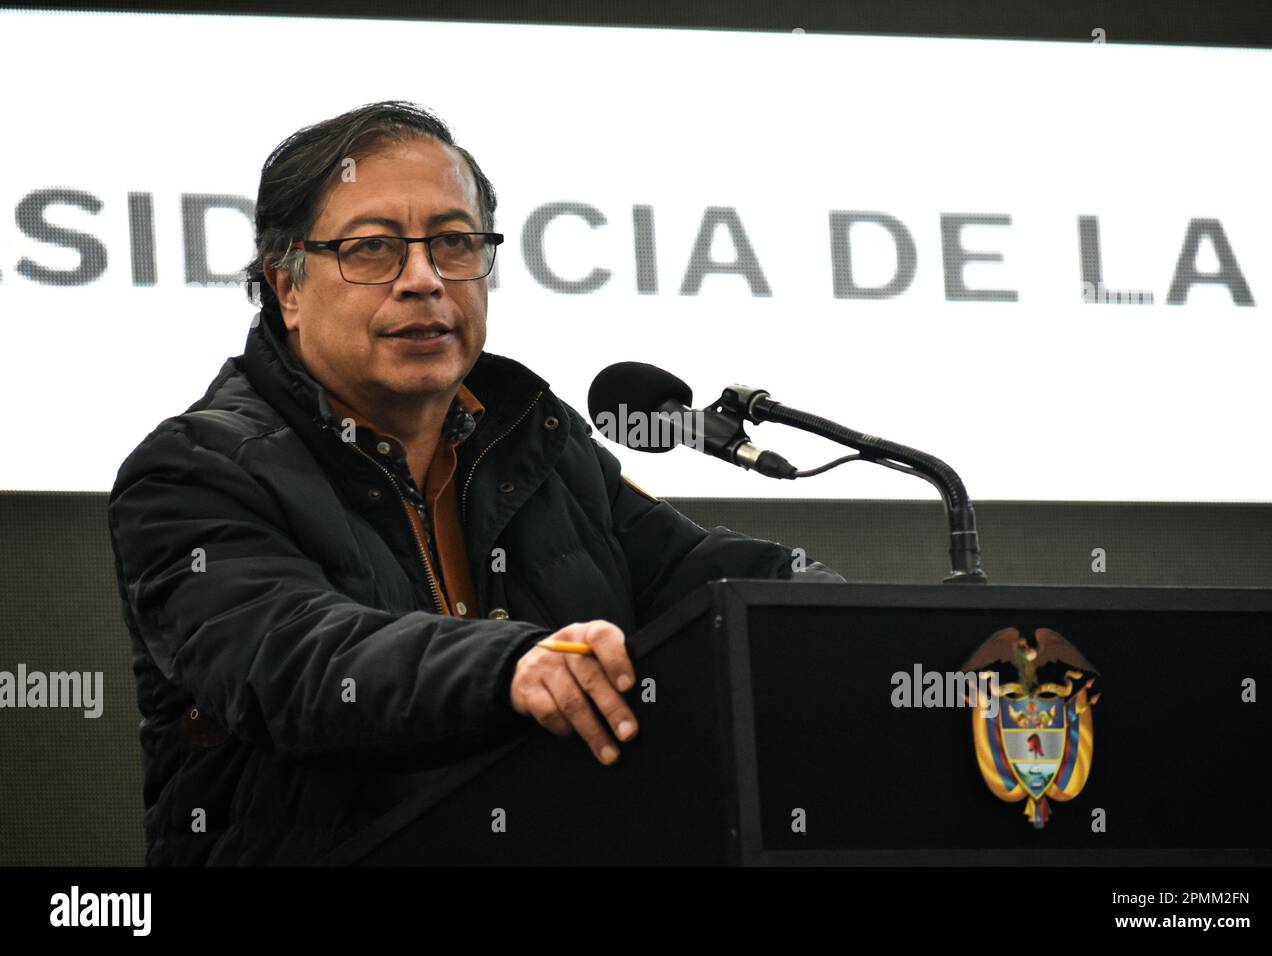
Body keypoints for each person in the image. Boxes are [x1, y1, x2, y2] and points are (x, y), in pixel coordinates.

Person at [106, 100, 844, 866]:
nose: (423, 280)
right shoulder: (193, 470)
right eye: (372, 249)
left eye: (454, 243)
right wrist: (512, 668)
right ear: (285, 286)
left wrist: (869, 632)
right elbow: (298, 664)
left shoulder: (535, 441)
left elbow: (708, 583)